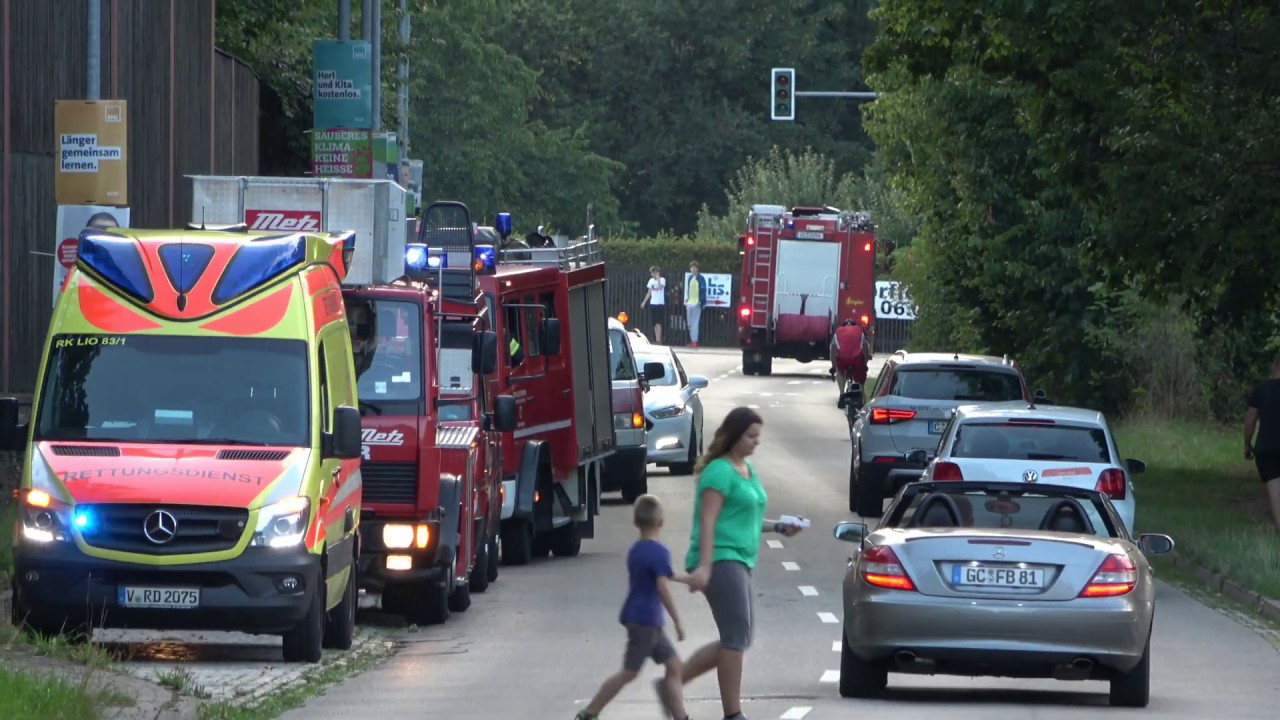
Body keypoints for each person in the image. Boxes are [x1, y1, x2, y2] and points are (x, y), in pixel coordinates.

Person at [679, 407, 805, 720]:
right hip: (721, 558)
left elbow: (749, 516)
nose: (755, 443)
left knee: (739, 638)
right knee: (736, 636)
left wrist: (779, 526)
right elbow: (708, 521)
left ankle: (674, 680)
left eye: (757, 437)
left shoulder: (746, 469)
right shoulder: (719, 472)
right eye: (750, 436)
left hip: (739, 559)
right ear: (734, 435)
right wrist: (705, 566)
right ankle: (733, 714)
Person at [575, 495, 692, 720]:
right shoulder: (659, 551)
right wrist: (677, 620)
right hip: (645, 621)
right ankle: (589, 712)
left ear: (636, 523)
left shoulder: (637, 550)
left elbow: (665, 574)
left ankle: (680, 716)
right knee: (629, 672)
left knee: (674, 665)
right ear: (661, 522)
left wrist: (689, 579)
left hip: (644, 620)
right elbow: (662, 585)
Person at [1244, 349, 1280, 532]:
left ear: (1275, 365)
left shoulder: (1261, 389)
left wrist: (1247, 445)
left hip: (1267, 448)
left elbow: (1250, 421)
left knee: (1275, 493)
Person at [830, 318, 873, 408]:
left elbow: (833, 350)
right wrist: (865, 363)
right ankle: (861, 393)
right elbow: (865, 348)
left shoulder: (838, 331)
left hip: (842, 359)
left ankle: (842, 394)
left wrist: (834, 367)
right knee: (860, 378)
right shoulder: (859, 330)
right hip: (857, 359)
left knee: (840, 371)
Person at [642, 266, 668, 344]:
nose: (653, 274)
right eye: (652, 272)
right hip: (653, 303)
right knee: (654, 322)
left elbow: (660, 287)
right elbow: (649, 292)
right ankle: (656, 338)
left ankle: (659, 339)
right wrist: (644, 302)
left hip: (659, 303)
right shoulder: (651, 281)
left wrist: (658, 278)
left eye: (655, 272)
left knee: (658, 322)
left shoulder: (662, 280)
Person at [684, 262, 706, 348]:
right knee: (689, 323)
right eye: (691, 268)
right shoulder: (690, 278)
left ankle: (694, 341)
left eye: (694, 267)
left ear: (697, 269)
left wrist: (700, 301)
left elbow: (703, 290)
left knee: (695, 323)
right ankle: (692, 340)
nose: (692, 269)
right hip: (690, 302)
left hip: (696, 303)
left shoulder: (700, 278)